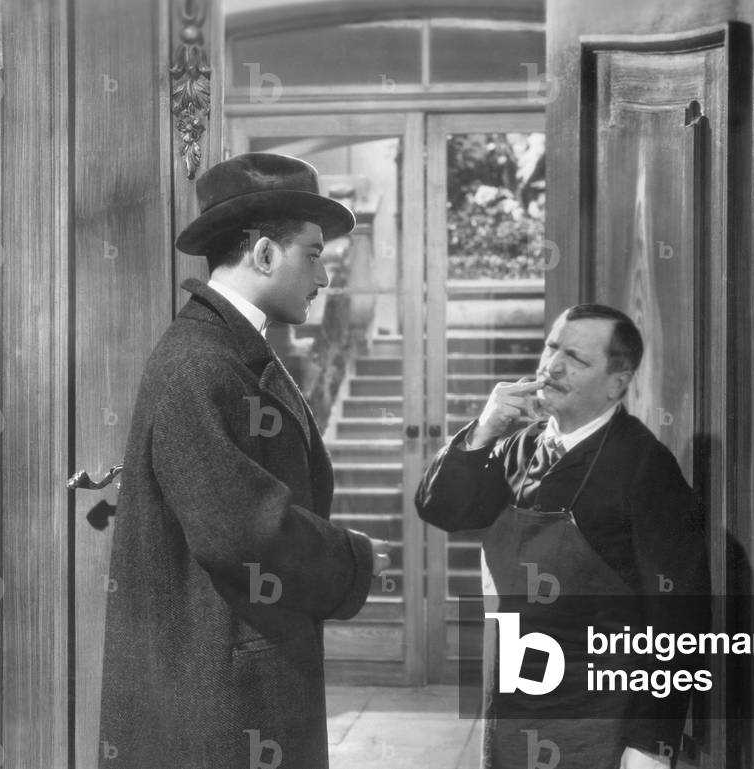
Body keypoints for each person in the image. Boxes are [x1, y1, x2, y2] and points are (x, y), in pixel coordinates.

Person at [98, 153, 391, 769]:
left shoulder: (229, 349)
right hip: (219, 699)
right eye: (312, 255)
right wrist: (353, 561)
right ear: (262, 255)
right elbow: (240, 528)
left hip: (236, 677)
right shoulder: (199, 362)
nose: (325, 277)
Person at [416, 304, 710, 769]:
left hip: (597, 721)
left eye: (574, 357)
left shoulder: (644, 466)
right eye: (552, 347)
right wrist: (484, 430)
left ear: (616, 382)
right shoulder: (521, 445)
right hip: (513, 707)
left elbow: (679, 617)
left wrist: (651, 744)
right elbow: (440, 507)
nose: (551, 366)